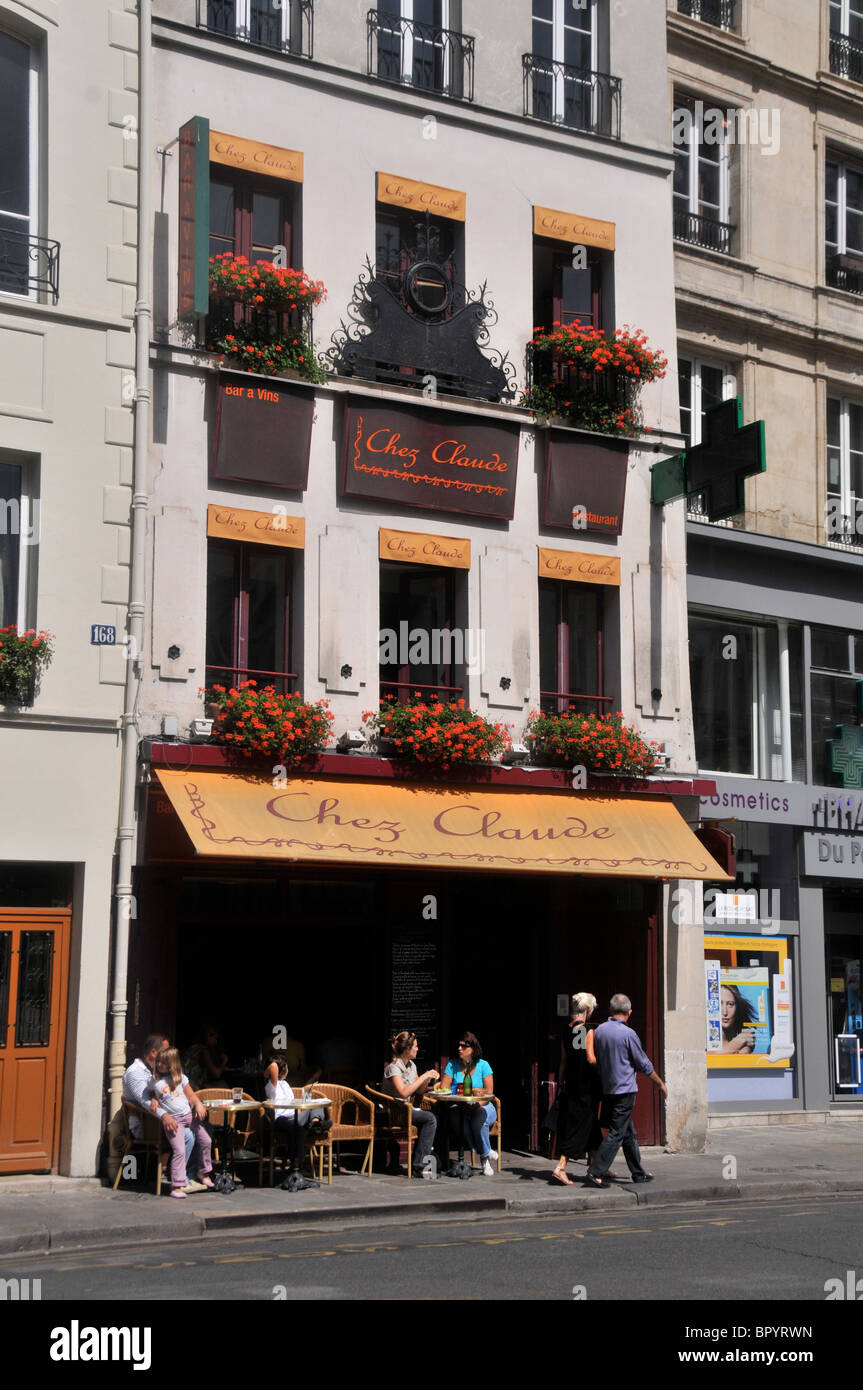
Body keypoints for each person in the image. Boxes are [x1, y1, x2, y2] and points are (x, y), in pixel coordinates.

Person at [585, 994, 667, 1189]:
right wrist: (660, 1083)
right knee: (616, 1132)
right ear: (629, 1013)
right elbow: (643, 1063)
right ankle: (595, 1170)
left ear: (611, 1011)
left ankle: (638, 1174)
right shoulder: (628, 1034)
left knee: (628, 1132)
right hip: (625, 1090)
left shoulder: (600, 1031)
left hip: (608, 1089)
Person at [122, 1033, 196, 1180]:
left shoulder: (156, 1072)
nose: (169, 1056)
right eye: (165, 1051)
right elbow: (145, 1102)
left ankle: (179, 1174)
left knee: (197, 1130)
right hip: (147, 1126)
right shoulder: (135, 1072)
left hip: (159, 1121)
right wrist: (165, 1115)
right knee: (192, 1133)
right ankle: (182, 1177)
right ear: (154, 1053)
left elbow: (160, 1093)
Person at [148, 1047, 214, 1199]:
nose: (158, 1065)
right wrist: (153, 1099)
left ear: (171, 1064)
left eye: (162, 1063)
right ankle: (176, 1185)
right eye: (158, 1062)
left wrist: (198, 1104)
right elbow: (151, 1093)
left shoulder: (181, 1078)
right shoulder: (155, 1081)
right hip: (174, 1120)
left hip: (188, 1115)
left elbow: (191, 1095)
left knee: (206, 1140)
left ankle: (203, 1172)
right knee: (179, 1150)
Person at [552, 992, 603, 1186]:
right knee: (579, 1125)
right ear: (588, 1010)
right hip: (587, 1085)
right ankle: (561, 1166)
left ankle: (597, 1162)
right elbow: (590, 1058)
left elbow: (564, 1061)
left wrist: (561, 1082)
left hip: (572, 1084)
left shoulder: (566, 1030)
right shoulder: (589, 1029)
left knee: (590, 1122)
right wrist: (603, 1067)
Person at [382, 1031, 439, 1178]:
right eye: (415, 1046)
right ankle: (419, 1166)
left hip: (407, 1108)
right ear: (407, 1049)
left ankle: (424, 1162)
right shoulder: (393, 1068)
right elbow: (403, 1093)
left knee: (434, 1114)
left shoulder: (411, 1066)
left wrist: (427, 1079)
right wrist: (424, 1077)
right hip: (396, 1111)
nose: (417, 1049)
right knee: (430, 1119)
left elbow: (419, 1091)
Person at [264, 1053, 330, 1178]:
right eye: (287, 1067)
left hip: (294, 1116)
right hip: (282, 1120)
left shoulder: (286, 1084)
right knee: (300, 1128)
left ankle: (315, 1123)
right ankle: (296, 1166)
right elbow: (273, 1067)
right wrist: (277, 1064)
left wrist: (301, 1111)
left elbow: (294, 1105)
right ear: (283, 1069)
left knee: (316, 1103)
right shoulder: (272, 1086)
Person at [441, 1032, 496, 1177]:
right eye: (459, 1045)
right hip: (459, 1106)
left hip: (483, 1105)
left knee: (479, 1119)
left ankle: (484, 1160)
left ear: (472, 1048)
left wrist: (476, 1105)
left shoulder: (484, 1065)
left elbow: (489, 1093)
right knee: (460, 1122)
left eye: (463, 1046)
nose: (459, 1048)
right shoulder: (452, 1065)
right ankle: (486, 1153)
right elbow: (444, 1088)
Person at [182, 1025, 228, 1090]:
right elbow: (216, 1074)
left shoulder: (193, 1047)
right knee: (223, 1085)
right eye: (214, 1038)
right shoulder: (203, 1051)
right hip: (193, 1087)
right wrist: (224, 1061)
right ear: (207, 1036)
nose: (215, 1041)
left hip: (185, 1084)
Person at [720, 985, 757, 1054]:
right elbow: (713, 1056)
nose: (724, 1012)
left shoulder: (747, 1036)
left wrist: (746, 1048)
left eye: (730, 1004)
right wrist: (741, 1040)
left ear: (737, 1007)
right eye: (719, 1004)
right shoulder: (706, 1036)